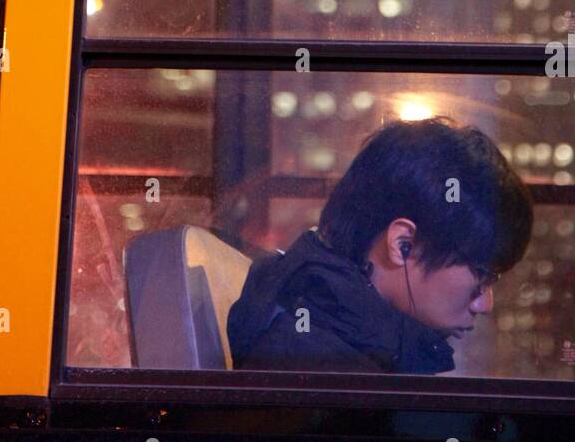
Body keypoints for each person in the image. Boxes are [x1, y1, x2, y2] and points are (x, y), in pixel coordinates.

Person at [227, 116, 533, 375]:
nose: (485, 304)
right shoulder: (318, 365)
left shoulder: (345, 335)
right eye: (481, 278)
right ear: (404, 245)